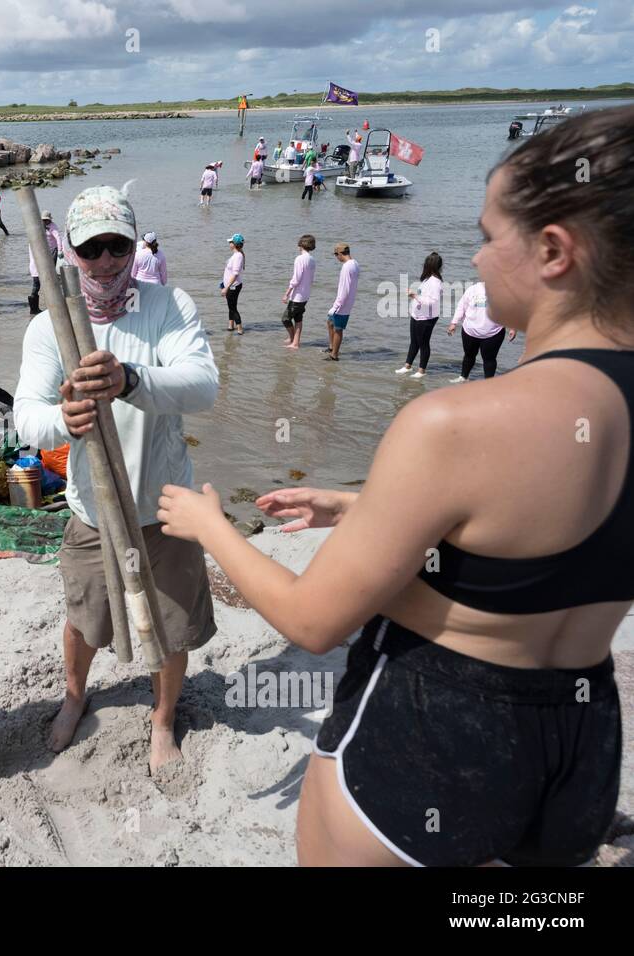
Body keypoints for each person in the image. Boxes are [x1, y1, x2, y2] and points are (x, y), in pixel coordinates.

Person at [156, 105, 634, 865]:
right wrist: (359, 506)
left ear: (553, 250)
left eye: (487, 236)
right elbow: (543, 541)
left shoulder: (456, 423)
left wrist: (208, 523)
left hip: (433, 735)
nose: (475, 260)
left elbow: (312, 622)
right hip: (581, 744)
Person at [14, 185, 220, 775]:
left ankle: (161, 718)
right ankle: (76, 694)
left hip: (166, 505)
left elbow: (203, 384)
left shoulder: (168, 305)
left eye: (117, 246)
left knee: (172, 627)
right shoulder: (45, 328)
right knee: (85, 616)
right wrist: (65, 419)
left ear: (134, 244)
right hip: (91, 509)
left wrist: (131, 379)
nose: (106, 261)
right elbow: (27, 416)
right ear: (71, 252)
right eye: (92, 248)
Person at [449, 280, 515, 382]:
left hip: (493, 333)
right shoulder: (472, 289)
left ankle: (488, 384)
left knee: (489, 360)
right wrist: (454, 323)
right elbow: (461, 306)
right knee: (469, 356)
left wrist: (513, 327)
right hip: (470, 331)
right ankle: (463, 377)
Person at [396, 252, 444, 379]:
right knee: (414, 342)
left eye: (426, 263)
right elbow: (422, 297)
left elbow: (432, 302)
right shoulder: (427, 279)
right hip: (417, 315)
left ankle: (422, 370)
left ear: (429, 265)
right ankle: (408, 366)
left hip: (427, 317)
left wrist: (414, 295)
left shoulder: (435, 282)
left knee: (423, 343)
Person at [324, 244, 359, 361]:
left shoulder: (346, 267)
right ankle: (331, 347)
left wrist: (337, 306)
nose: (336, 258)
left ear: (340, 254)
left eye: (336, 255)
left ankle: (334, 355)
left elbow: (345, 289)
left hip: (343, 303)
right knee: (330, 322)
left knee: (338, 328)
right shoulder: (355, 263)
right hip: (347, 301)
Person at [282, 235, 316, 349]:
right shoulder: (312, 259)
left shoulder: (299, 259)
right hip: (306, 294)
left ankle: (293, 340)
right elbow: (311, 279)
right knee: (298, 318)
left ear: (301, 245)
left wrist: (287, 293)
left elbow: (296, 279)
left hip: (298, 295)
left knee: (285, 318)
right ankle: (295, 342)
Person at [27, 209, 62, 315]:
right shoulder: (37, 233)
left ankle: (37, 308)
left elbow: (58, 238)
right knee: (38, 283)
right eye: (44, 220)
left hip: (49, 254)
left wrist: (60, 250)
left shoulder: (52, 227)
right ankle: (34, 309)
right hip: (38, 261)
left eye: (47, 220)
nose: (45, 222)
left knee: (45, 281)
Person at [219, 234, 245, 334]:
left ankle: (240, 329)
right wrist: (224, 284)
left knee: (232, 308)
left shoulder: (238, 256)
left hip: (233, 286)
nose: (229, 243)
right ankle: (230, 325)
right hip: (229, 285)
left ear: (234, 244)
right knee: (231, 306)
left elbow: (235, 274)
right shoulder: (236, 255)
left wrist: (226, 288)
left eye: (230, 242)